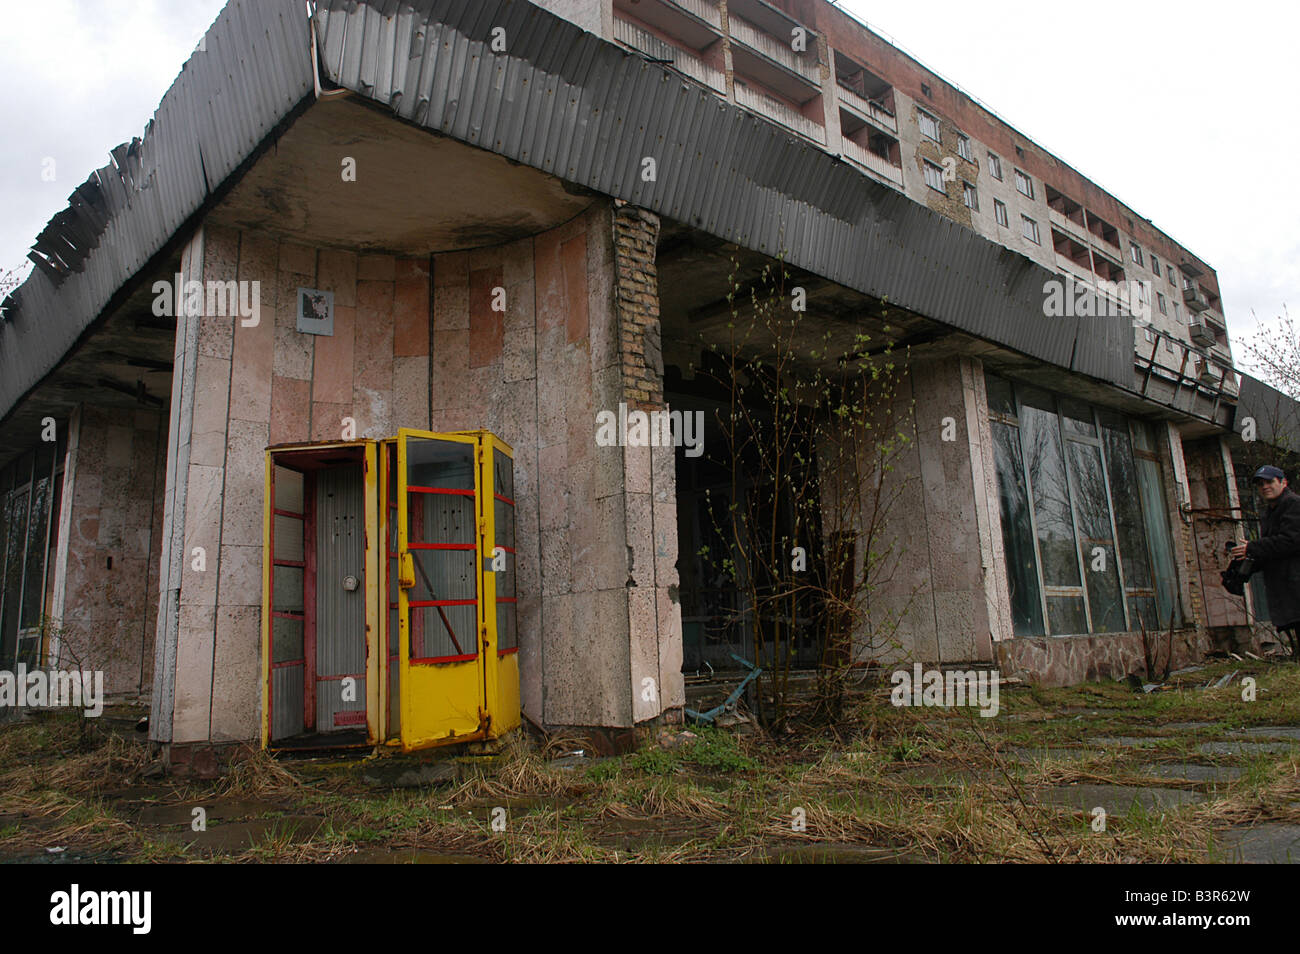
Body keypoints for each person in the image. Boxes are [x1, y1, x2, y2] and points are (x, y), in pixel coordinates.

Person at [1231, 465, 1300, 657]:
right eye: (1260, 484)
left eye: (1270, 482)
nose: (1265, 487)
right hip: (1286, 581)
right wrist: (1247, 563)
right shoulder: (1271, 511)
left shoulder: (1294, 504)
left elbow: (1291, 541)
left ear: (1283, 482)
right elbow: (1274, 550)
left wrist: (1253, 547)